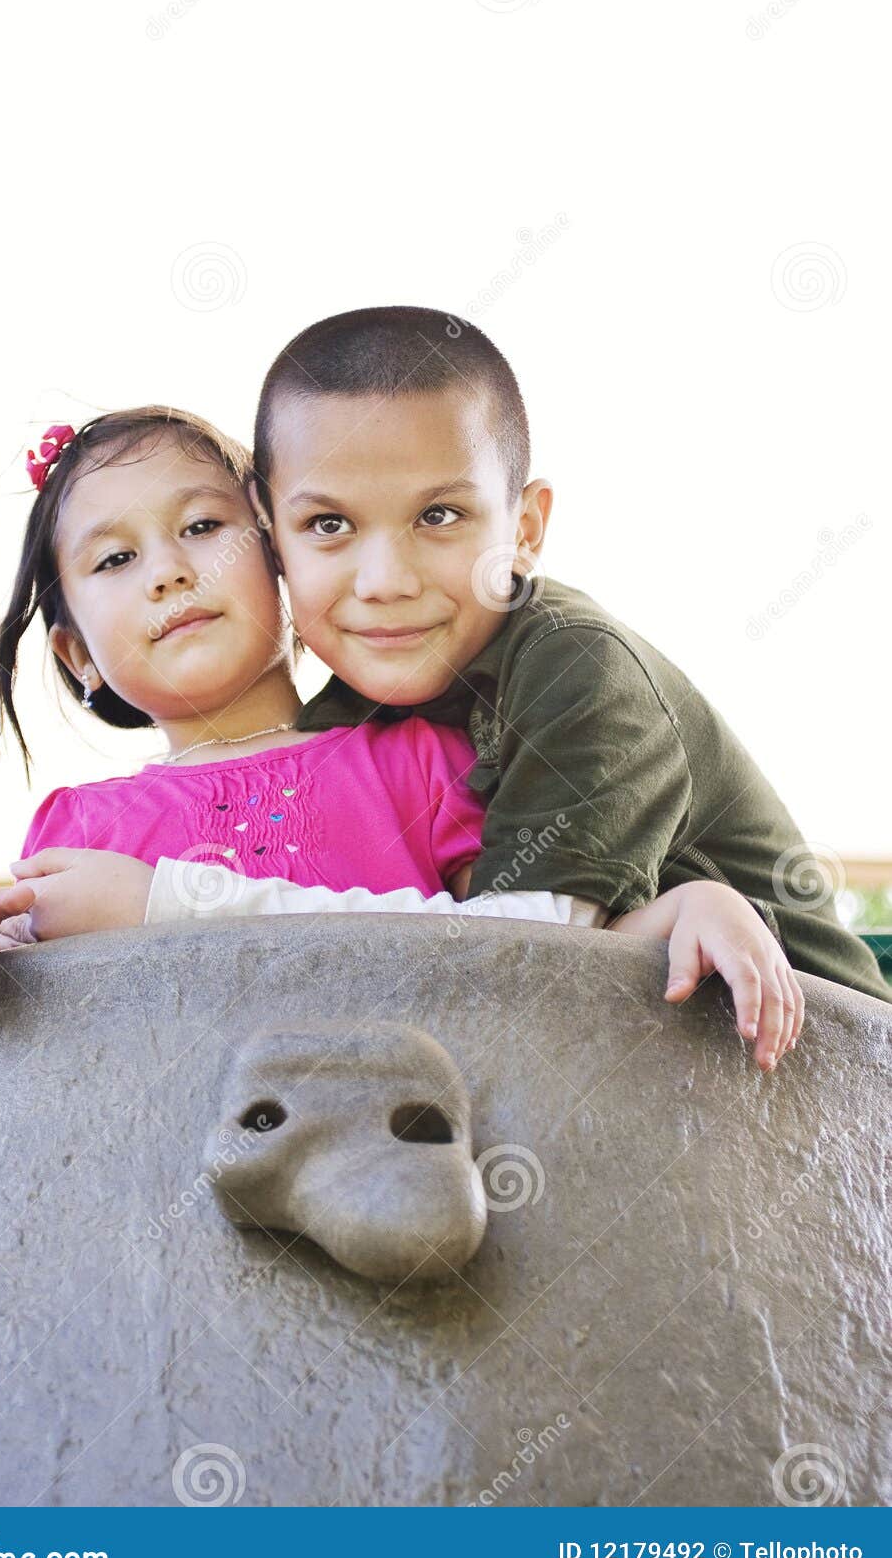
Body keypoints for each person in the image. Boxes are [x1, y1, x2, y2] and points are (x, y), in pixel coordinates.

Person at [0, 405, 801, 1069]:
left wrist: (682, 913)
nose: (168, 571)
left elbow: (513, 958)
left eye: (203, 528)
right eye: (115, 559)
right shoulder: (76, 828)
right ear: (75, 653)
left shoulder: (418, 757)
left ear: (284, 561)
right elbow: (27, 1030)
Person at [245, 304, 889, 1023]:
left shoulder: (577, 668)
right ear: (272, 543)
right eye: (328, 525)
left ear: (523, 531)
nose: (384, 581)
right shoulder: (344, 717)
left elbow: (518, 962)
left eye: (438, 517)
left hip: (832, 1075)